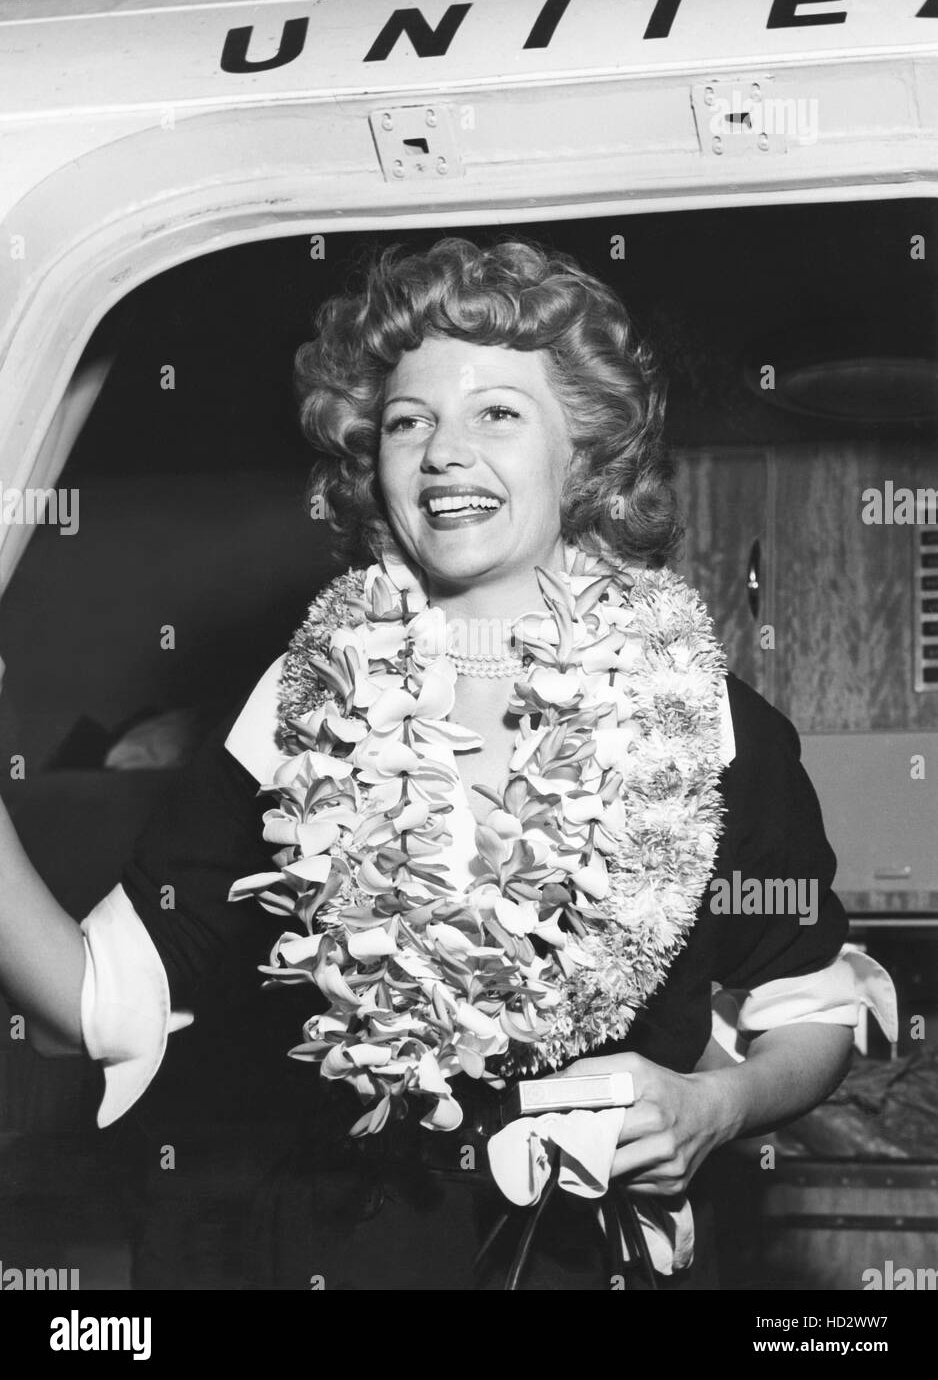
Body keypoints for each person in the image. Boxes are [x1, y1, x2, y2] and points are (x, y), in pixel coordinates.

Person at [0, 236, 895, 1290]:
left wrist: (713, 1106)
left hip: (585, 1261)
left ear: (586, 452)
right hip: (332, 1252)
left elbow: (807, 1011)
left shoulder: (710, 725)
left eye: (497, 414)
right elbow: (101, 990)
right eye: (407, 420)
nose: (442, 453)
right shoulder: (299, 703)